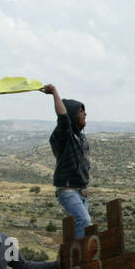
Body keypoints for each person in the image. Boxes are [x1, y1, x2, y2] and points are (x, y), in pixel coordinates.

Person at [40, 84, 93, 237]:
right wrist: (54, 93)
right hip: (68, 189)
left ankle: (78, 255)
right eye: (81, 111)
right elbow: (63, 118)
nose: (85, 114)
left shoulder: (79, 136)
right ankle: (80, 259)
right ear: (72, 114)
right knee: (84, 221)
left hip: (81, 191)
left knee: (84, 227)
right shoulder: (64, 136)